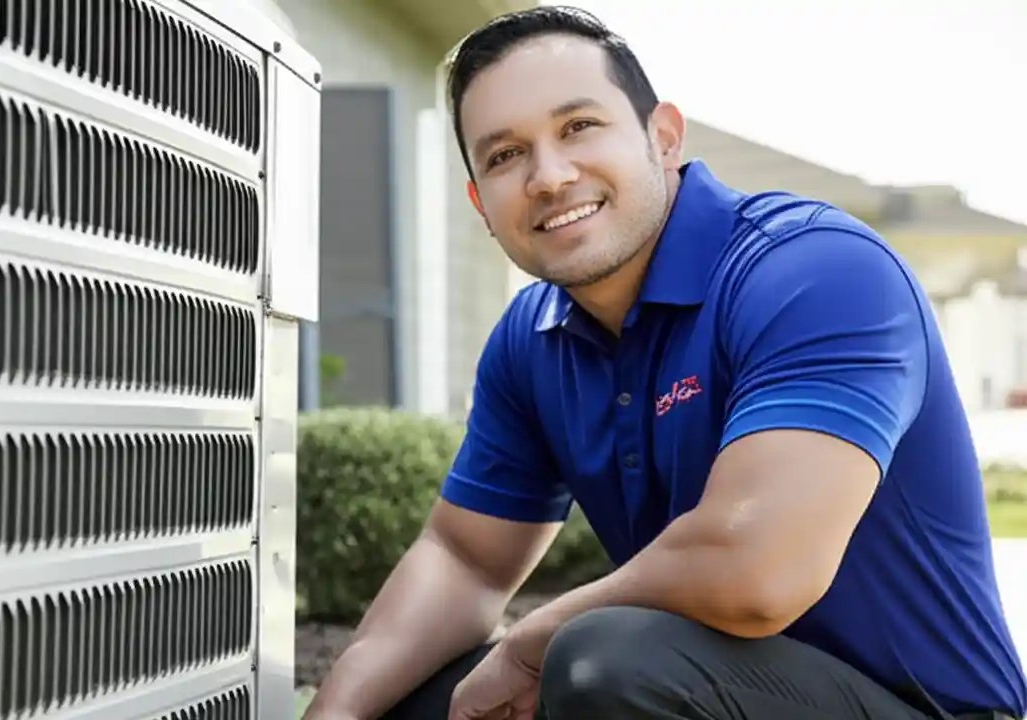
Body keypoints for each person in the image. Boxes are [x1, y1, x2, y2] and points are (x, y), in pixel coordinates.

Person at [300, 6, 1027, 720]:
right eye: (504, 155)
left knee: (600, 661)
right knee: (420, 700)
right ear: (480, 204)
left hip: (917, 706)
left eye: (578, 127)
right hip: (697, 686)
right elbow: (465, 559)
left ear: (663, 136)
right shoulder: (532, 339)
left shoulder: (814, 271)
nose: (548, 176)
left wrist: (530, 641)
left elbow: (757, 571)